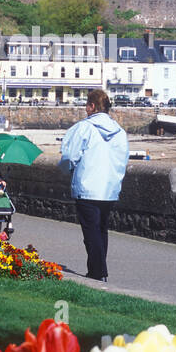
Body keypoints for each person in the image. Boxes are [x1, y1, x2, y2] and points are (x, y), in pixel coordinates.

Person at [60, 88, 129, 282]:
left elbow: (70, 157)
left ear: (92, 106)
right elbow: (123, 159)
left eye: (87, 106)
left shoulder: (84, 128)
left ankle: (98, 273)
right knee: (101, 230)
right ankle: (96, 270)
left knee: (91, 232)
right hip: (109, 188)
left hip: (87, 186)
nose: (85, 110)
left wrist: (65, 169)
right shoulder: (119, 131)